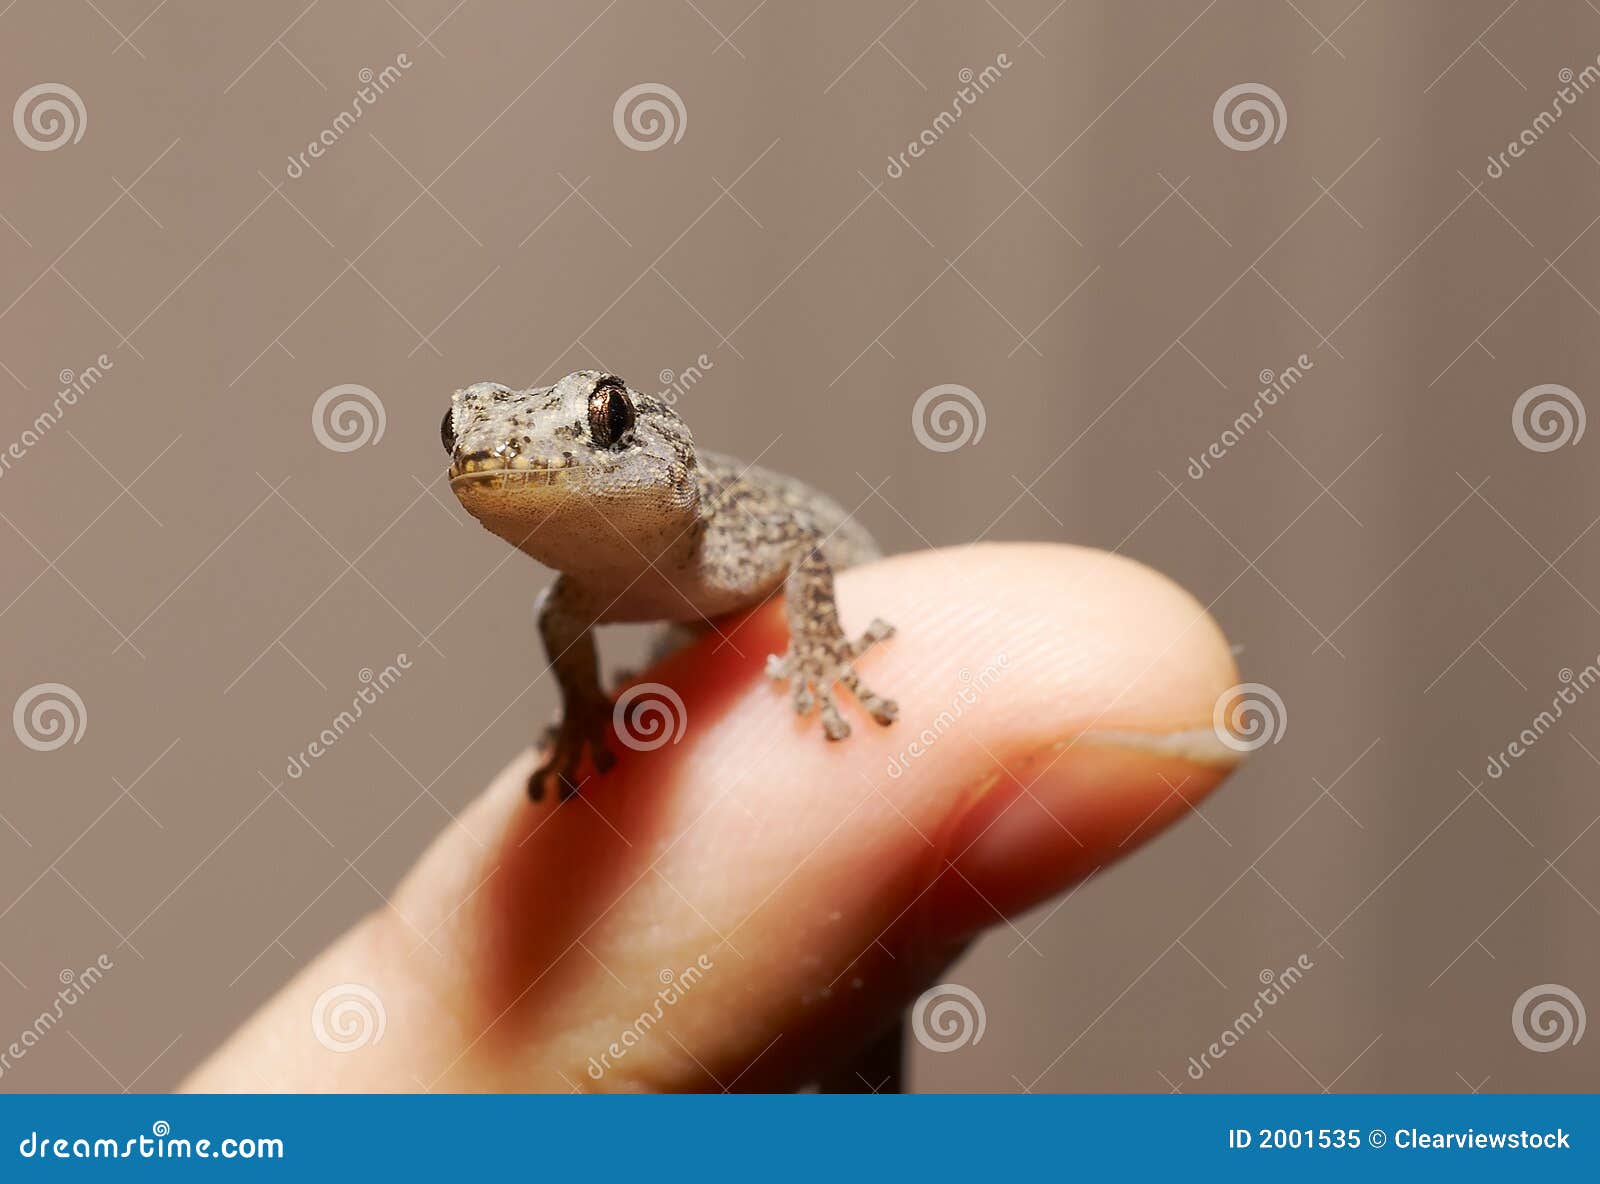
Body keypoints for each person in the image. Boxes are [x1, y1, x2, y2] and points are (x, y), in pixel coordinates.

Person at [183, 543, 1241, 1092]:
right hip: (698, 684)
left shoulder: (736, 538)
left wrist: (816, 651)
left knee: (859, 1049)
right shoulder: (568, 601)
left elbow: (805, 560)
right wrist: (584, 708)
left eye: (599, 425)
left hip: (790, 639)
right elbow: (562, 621)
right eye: (465, 442)